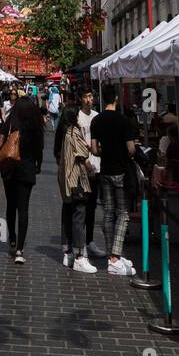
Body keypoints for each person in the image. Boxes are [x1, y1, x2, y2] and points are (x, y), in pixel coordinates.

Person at [90, 84, 137, 275]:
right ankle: (116, 256)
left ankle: (111, 255)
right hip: (121, 171)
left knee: (108, 213)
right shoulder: (124, 121)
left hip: (105, 170)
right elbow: (132, 149)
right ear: (116, 99)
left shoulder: (97, 121)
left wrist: (105, 151)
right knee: (123, 213)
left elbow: (93, 149)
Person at [0, 93, 43, 263]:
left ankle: (13, 237)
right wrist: (38, 165)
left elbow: (0, 143)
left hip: (10, 168)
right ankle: (20, 250)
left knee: (11, 204)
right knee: (23, 209)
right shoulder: (36, 126)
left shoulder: (10, 122)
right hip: (27, 169)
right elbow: (40, 149)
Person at [56, 105, 96, 273]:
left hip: (65, 178)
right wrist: (90, 169)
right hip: (76, 178)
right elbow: (83, 154)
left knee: (68, 212)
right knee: (79, 214)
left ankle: (68, 251)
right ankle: (80, 255)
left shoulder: (62, 133)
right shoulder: (73, 131)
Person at [77, 88, 104, 259]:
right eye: (86, 96)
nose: (89, 99)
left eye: (91, 96)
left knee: (92, 205)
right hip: (82, 166)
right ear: (81, 99)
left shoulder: (97, 116)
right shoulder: (77, 117)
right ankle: (80, 243)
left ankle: (90, 241)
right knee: (81, 206)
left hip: (97, 164)